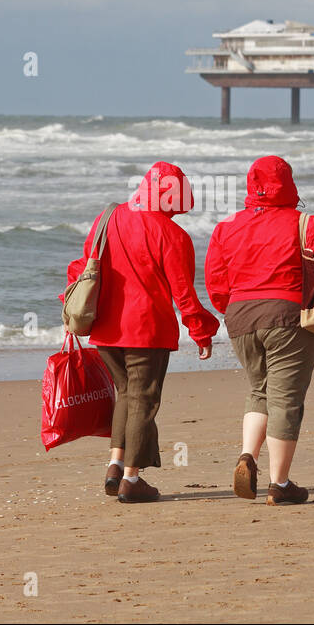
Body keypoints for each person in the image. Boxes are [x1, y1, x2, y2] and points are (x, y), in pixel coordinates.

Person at [64, 161, 218, 503]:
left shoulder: (109, 216)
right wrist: (201, 331)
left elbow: (84, 265)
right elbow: (184, 294)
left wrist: (69, 306)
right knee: (144, 400)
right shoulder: (173, 235)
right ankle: (132, 481)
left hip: (105, 328)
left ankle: (115, 467)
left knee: (125, 394)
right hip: (147, 331)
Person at [204, 156, 314, 505]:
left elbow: (215, 282)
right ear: (289, 184)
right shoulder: (304, 222)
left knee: (259, 390)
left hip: (240, 316)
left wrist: (233, 310)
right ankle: (279, 484)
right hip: (286, 315)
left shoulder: (226, 227)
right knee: (286, 399)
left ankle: (247, 456)